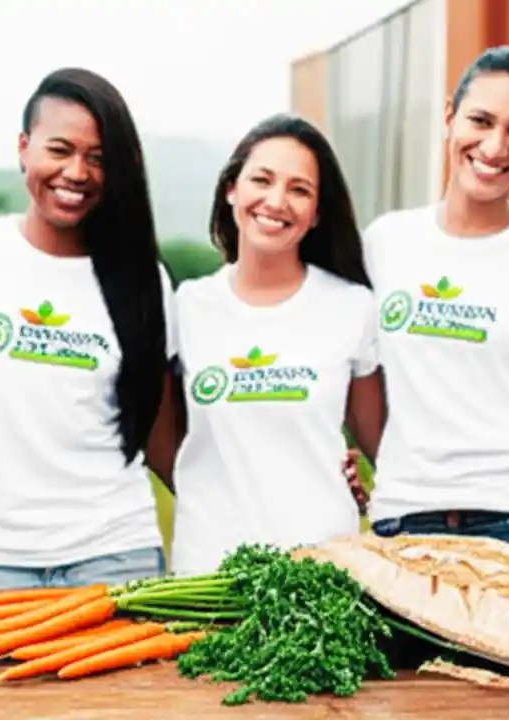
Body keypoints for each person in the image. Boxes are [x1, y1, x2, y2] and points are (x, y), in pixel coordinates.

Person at [0, 67, 175, 590]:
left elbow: (162, 432)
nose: (76, 172)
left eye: (98, 158)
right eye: (60, 150)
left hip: (114, 553)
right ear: (23, 148)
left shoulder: (145, 281)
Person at [360, 46, 509, 554]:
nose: (495, 147)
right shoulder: (385, 242)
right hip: (405, 519)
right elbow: (362, 384)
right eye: (481, 120)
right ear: (449, 117)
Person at [164, 114, 383, 576]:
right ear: (231, 189)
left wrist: (361, 477)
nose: (276, 201)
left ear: (318, 211)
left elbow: (380, 442)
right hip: (207, 569)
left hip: (322, 568)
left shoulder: (352, 306)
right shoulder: (188, 306)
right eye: (261, 180)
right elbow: (161, 435)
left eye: (299, 189)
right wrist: (206, 490)